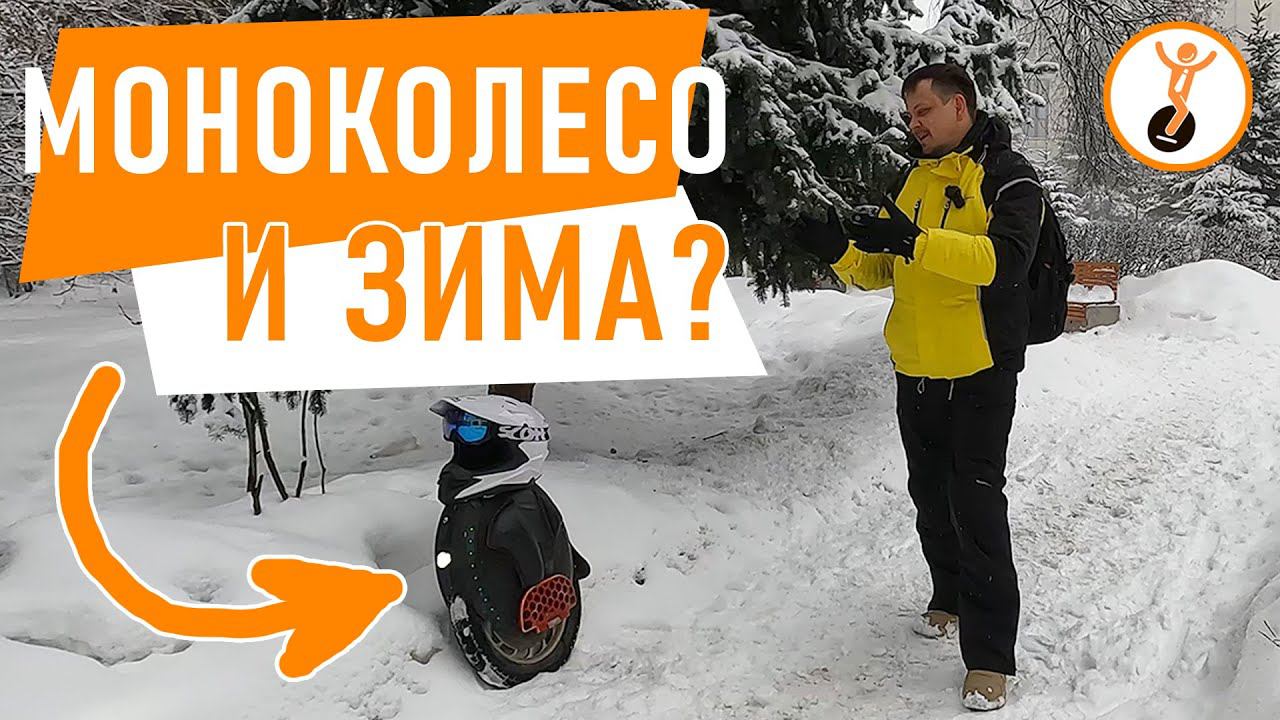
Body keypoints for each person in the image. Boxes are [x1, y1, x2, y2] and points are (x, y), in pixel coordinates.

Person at [794, 63, 1044, 711]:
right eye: (909, 115)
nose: (914, 124)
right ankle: (949, 597)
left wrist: (915, 238)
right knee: (930, 494)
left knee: (976, 504)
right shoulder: (913, 180)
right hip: (917, 366)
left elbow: (1004, 262)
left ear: (960, 107)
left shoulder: (1009, 177)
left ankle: (990, 659)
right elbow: (881, 270)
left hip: (981, 367)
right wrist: (835, 249)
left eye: (924, 111)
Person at [1155, 41, 1216, 138]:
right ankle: (1169, 131)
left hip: (1184, 95)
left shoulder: (1192, 68)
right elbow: (1165, 59)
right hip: (1174, 92)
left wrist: (1212, 55)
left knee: (1179, 111)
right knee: (1183, 111)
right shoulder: (1175, 66)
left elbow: (1204, 64)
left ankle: (1171, 130)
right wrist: (1159, 47)